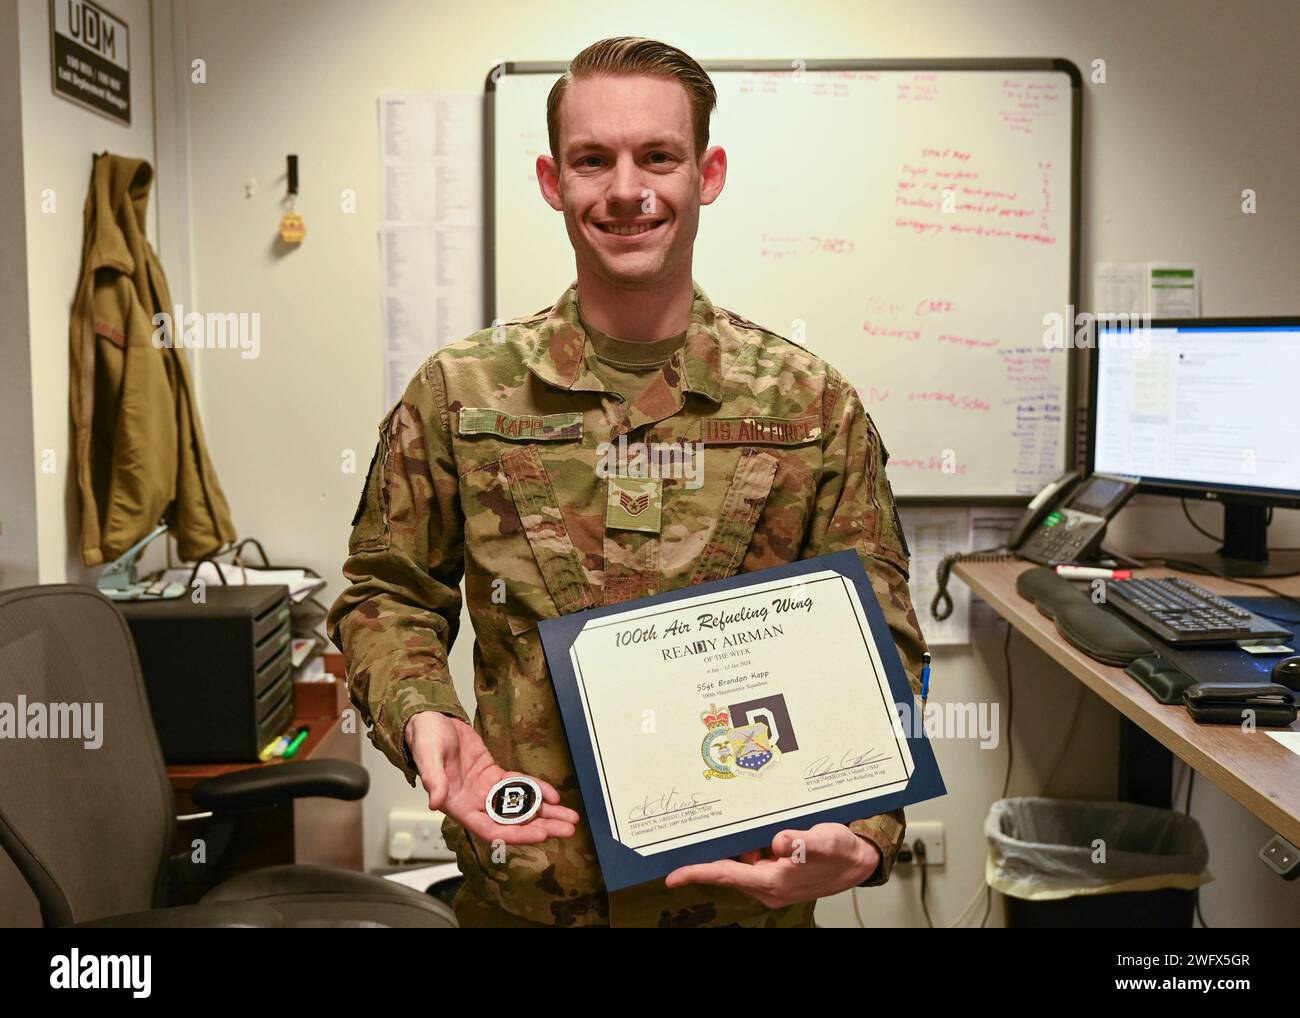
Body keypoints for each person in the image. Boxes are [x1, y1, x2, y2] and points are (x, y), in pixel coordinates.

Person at [327, 36, 928, 928]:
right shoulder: (461, 392)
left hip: (743, 899)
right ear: (551, 180)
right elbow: (388, 594)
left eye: (658, 156)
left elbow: (877, 640)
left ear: (707, 173)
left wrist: (869, 827)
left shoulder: (810, 404)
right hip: (526, 888)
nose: (625, 190)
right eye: (591, 160)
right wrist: (425, 716)